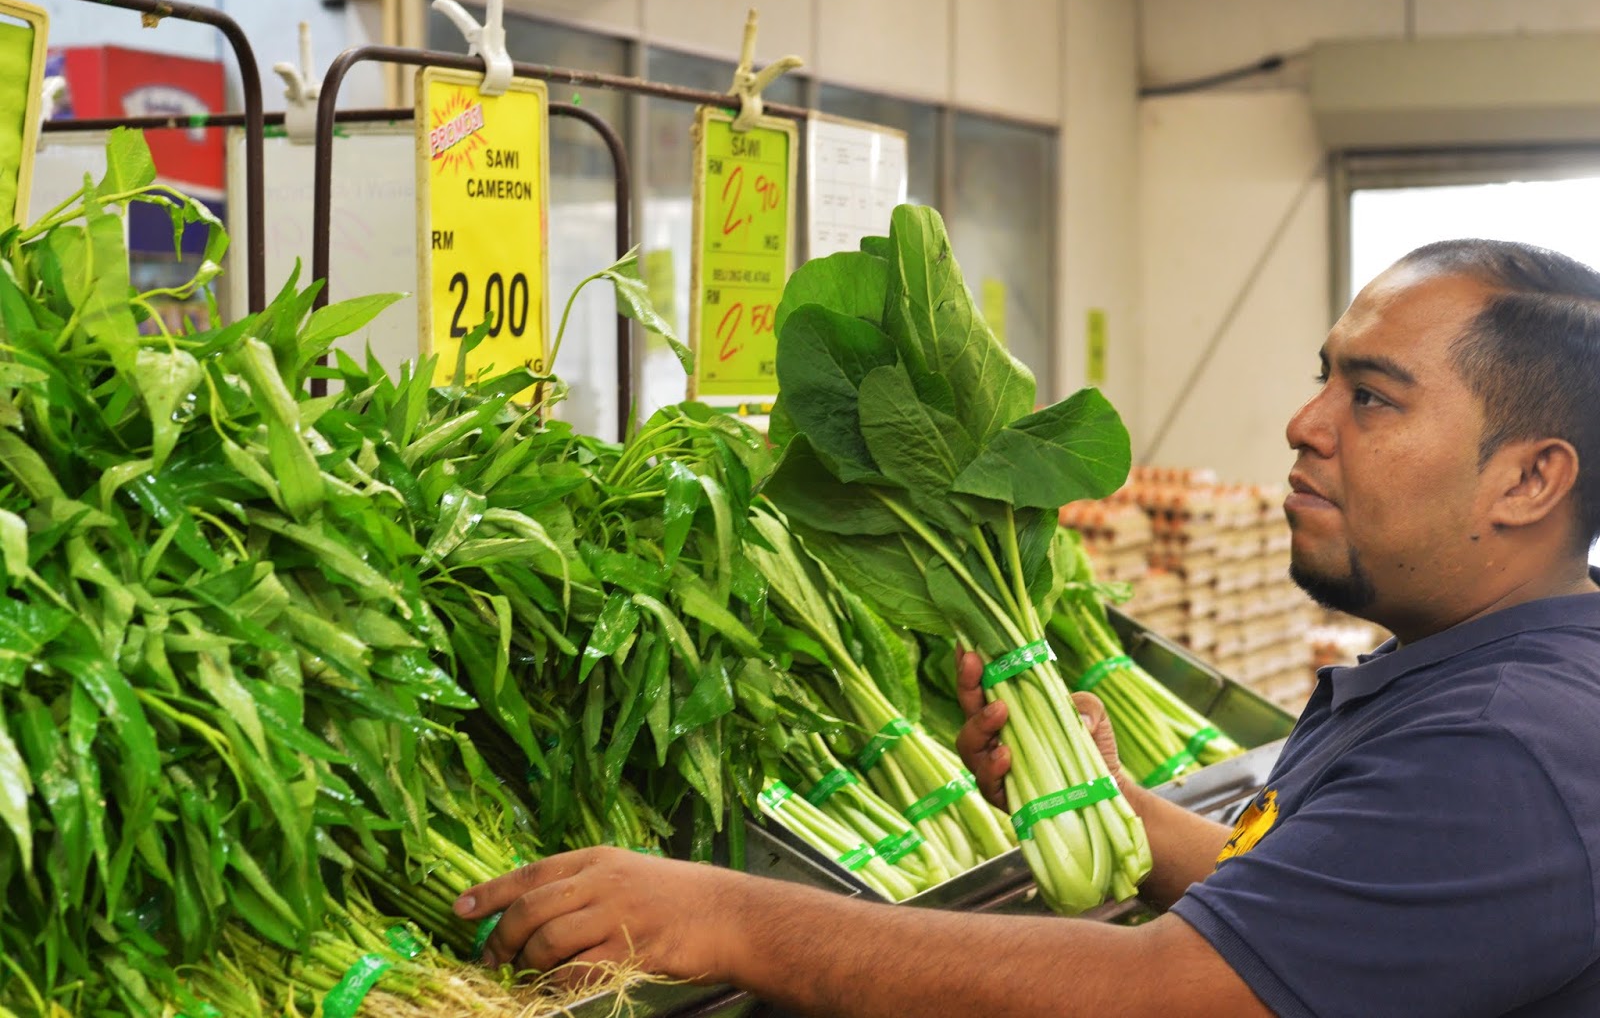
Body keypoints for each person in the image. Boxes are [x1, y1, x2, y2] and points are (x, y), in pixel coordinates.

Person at [450, 239, 1600, 1017]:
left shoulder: (1508, 747)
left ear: (1529, 479)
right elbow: (1328, 920)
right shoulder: (1485, 668)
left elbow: (1165, 994)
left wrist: (729, 915)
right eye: (1322, 380)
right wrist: (1130, 821)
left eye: (1370, 394)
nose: (1304, 423)